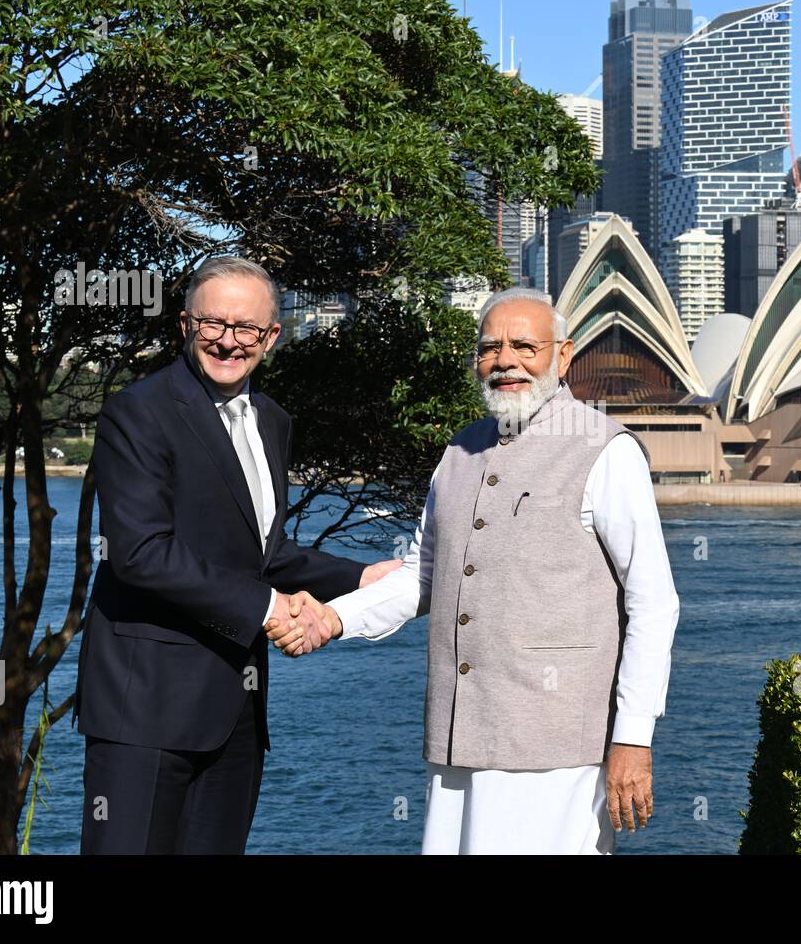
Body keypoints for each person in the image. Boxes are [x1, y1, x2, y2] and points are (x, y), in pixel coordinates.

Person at [272, 287, 680, 854]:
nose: (505, 361)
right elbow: (423, 575)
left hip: (558, 749)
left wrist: (633, 739)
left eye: (524, 346)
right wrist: (331, 619)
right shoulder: (458, 453)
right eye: (490, 347)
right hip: (457, 738)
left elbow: (654, 604)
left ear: (563, 357)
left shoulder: (607, 451)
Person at [74, 256, 398, 854]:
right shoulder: (138, 412)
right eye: (213, 324)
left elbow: (262, 554)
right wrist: (270, 610)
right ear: (184, 324)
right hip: (144, 709)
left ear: (271, 337)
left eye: (246, 328)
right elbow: (141, 553)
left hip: (237, 711)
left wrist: (363, 576)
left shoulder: (272, 421)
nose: (228, 341)